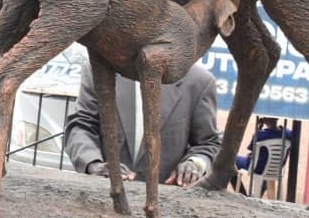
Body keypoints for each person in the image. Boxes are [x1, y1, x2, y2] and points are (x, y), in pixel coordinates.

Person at [63, 62, 222, 187]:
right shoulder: (99, 68)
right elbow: (81, 126)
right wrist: (93, 164)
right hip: (103, 197)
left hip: (166, 206)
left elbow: (208, 143)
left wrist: (195, 163)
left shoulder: (198, 81)